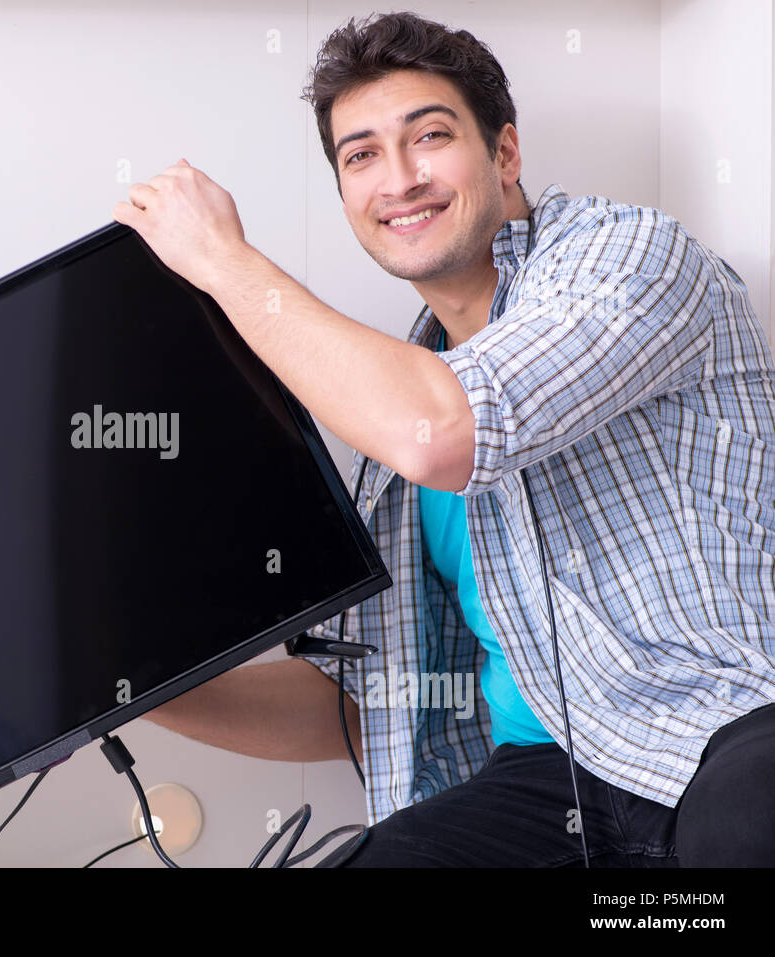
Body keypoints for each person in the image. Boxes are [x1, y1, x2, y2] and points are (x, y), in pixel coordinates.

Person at [111, 10, 775, 866]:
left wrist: (222, 259)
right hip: (551, 783)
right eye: (361, 156)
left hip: (728, 727)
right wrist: (131, 694)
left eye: (428, 136)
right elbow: (375, 704)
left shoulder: (629, 256)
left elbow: (446, 429)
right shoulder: (391, 417)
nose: (399, 179)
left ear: (504, 154)